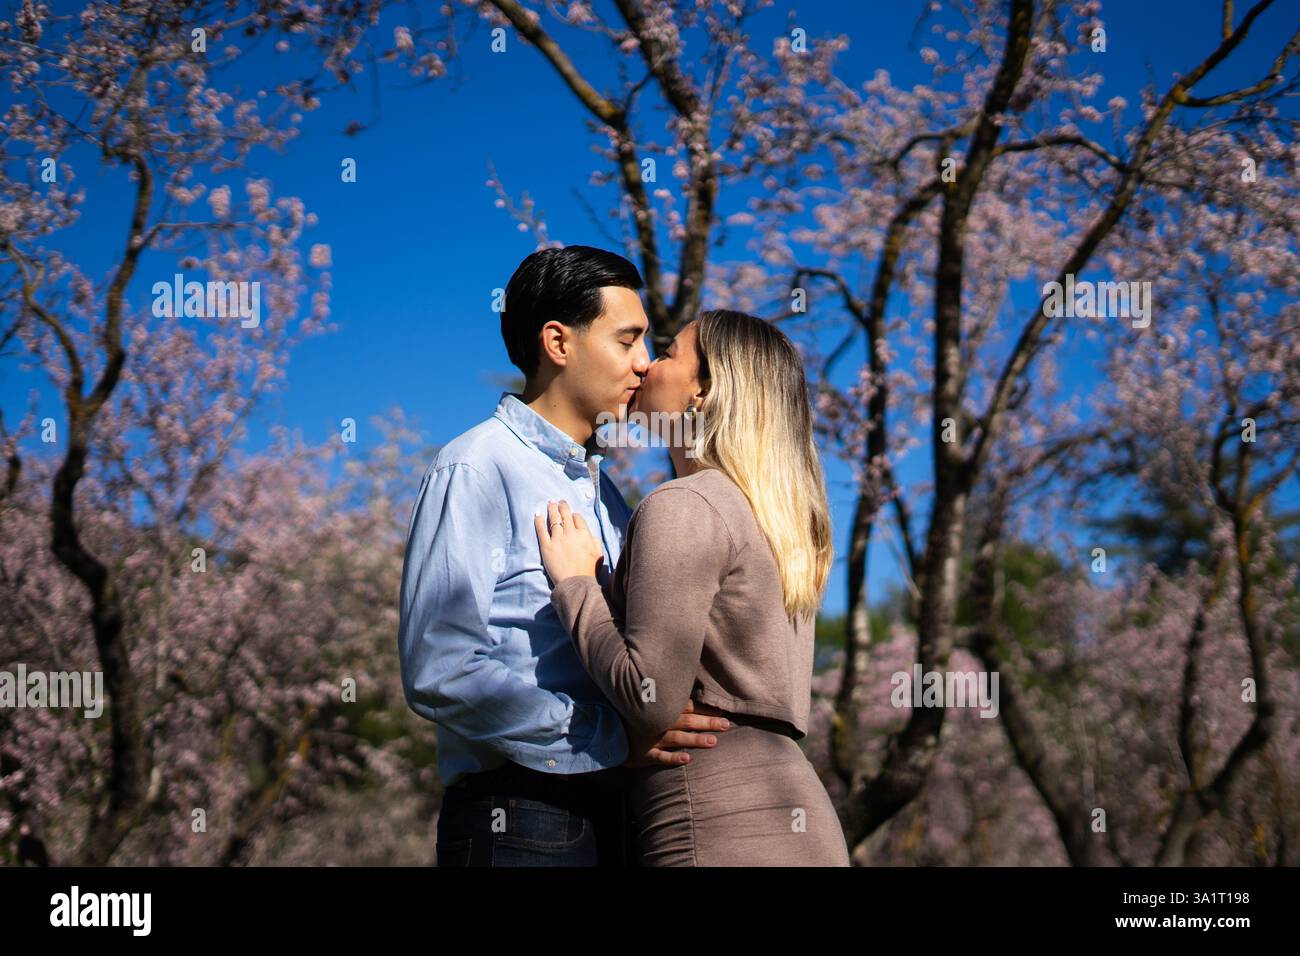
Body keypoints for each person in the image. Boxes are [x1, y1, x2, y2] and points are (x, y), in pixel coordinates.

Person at [397, 245, 732, 867]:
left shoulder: (607, 496)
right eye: (627, 339)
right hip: (520, 818)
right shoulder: (477, 466)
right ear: (558, 342)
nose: (643, 364)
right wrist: (613, 738)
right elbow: (439, 668)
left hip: (617, 817)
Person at [535, 309, 852, 866]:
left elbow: (649, 697)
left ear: (703, 389)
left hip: (716, 821)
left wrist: (578, 586)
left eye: (668, 353)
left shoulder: (687, 504)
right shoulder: (779, 522)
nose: (646, 364)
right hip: (799, 818)